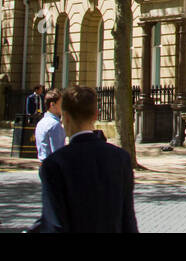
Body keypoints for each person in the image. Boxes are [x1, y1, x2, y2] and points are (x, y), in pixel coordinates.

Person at [39, 85, 137, 233]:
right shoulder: (120, 158)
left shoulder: (54, 164)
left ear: (64, 116)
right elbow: (128, 220)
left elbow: (55, 226)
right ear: (96, 115)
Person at [35, 89, 66, 162]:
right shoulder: (54, 125)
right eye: (61, 103)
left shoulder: (41, 123)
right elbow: (58, 153)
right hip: (53, 167)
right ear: (52, 104)